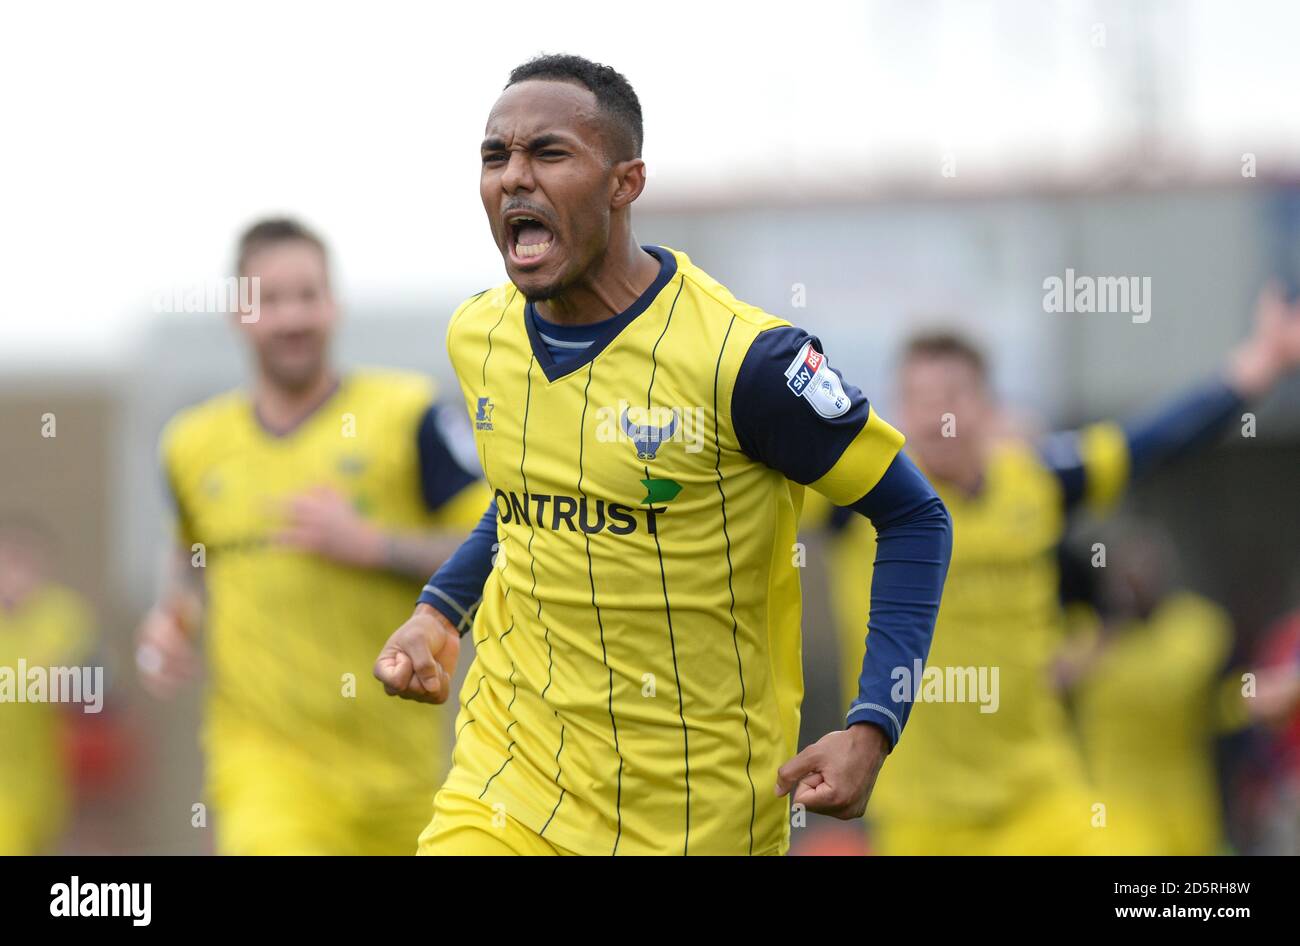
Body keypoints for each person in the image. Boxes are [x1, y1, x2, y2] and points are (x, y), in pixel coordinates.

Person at [373, 54, 952, 856]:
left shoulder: (747, 363)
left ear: (625, 182)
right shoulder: (478, 335)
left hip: (694, 817)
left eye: (548, 153)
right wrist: (439, 612)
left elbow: (914, 517)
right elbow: (522, 506)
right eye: (494, 156)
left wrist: (874, 724)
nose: (513, 178)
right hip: (506, 787)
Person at [817, 293, 1300, 854]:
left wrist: (1261, 362)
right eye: (917, 399)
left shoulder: (1035, 482)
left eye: (950, 396)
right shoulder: (862, 500)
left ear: (986, 406)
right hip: (925, 822)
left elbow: (1154, 441)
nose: (934, 416)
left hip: (1041, 798)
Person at [136, 218, 488, 854]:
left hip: (406, 770)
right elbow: (189, 558)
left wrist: (371, 545)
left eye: (308, 295)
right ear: (238, 314)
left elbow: (490, 546)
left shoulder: (410, 414)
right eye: (270, 299)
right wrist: (172, 620)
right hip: (266, 773)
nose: (292, 317)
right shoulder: (192, 444)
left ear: (335, 305)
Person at [0, 519, 96, 854]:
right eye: (9, 562)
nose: (16, 576)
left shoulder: (63, 615)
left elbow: (92, 689)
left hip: (48, 779)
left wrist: (68, 683)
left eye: (27, 564)